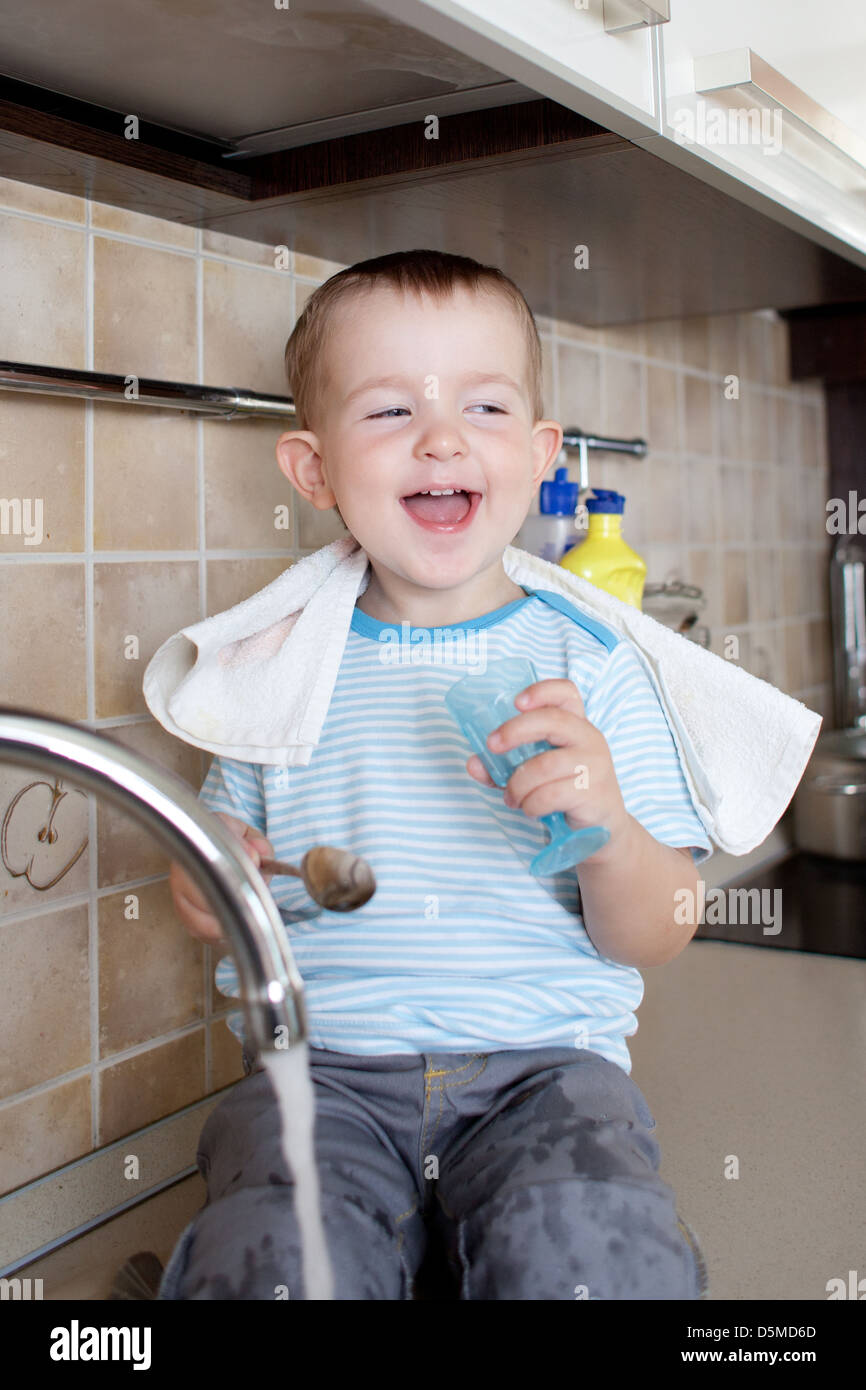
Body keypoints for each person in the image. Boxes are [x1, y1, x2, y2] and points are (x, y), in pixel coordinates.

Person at [159, 248, 712, 1300]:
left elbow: (663, 923)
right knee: (270, 1260)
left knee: (591, 1252)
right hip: (318, 1082)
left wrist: (607, 827)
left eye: (485, 406)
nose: (442, 437)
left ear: (538, 449)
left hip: (548, 1076)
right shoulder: (274, 672)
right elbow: (217, 892)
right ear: (313, 470)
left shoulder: (593, 667)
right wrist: (212, 875)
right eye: (386, 413)